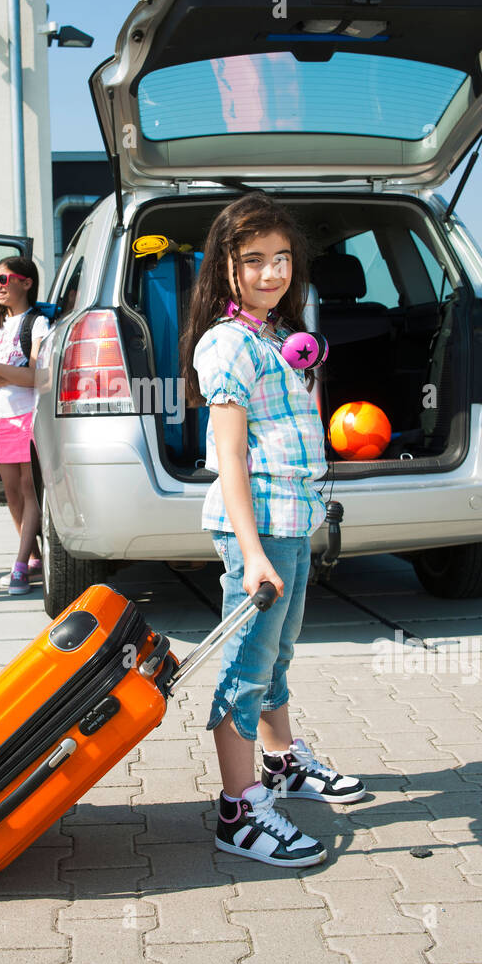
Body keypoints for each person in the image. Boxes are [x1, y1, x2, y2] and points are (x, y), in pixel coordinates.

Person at [180, 192, 365, 869]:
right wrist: (253, 552)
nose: (269, 273)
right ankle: (238, 807)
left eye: (281, 258)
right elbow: (228, 456)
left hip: (290, 522)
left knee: (277, 655)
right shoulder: (227, 344)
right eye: (252, 260)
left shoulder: (274, 336)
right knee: (245, 668)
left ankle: (282, 763)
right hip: (257, 531)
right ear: (224, 267)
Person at [0, 256, 49, 596]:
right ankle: (33, 558)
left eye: (5, 278)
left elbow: (38, 377)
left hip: (28, 417)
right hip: (0, 418)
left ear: (26, 283)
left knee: (30, 491)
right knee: (12, 493)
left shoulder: (38, 324)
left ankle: (19, 566)